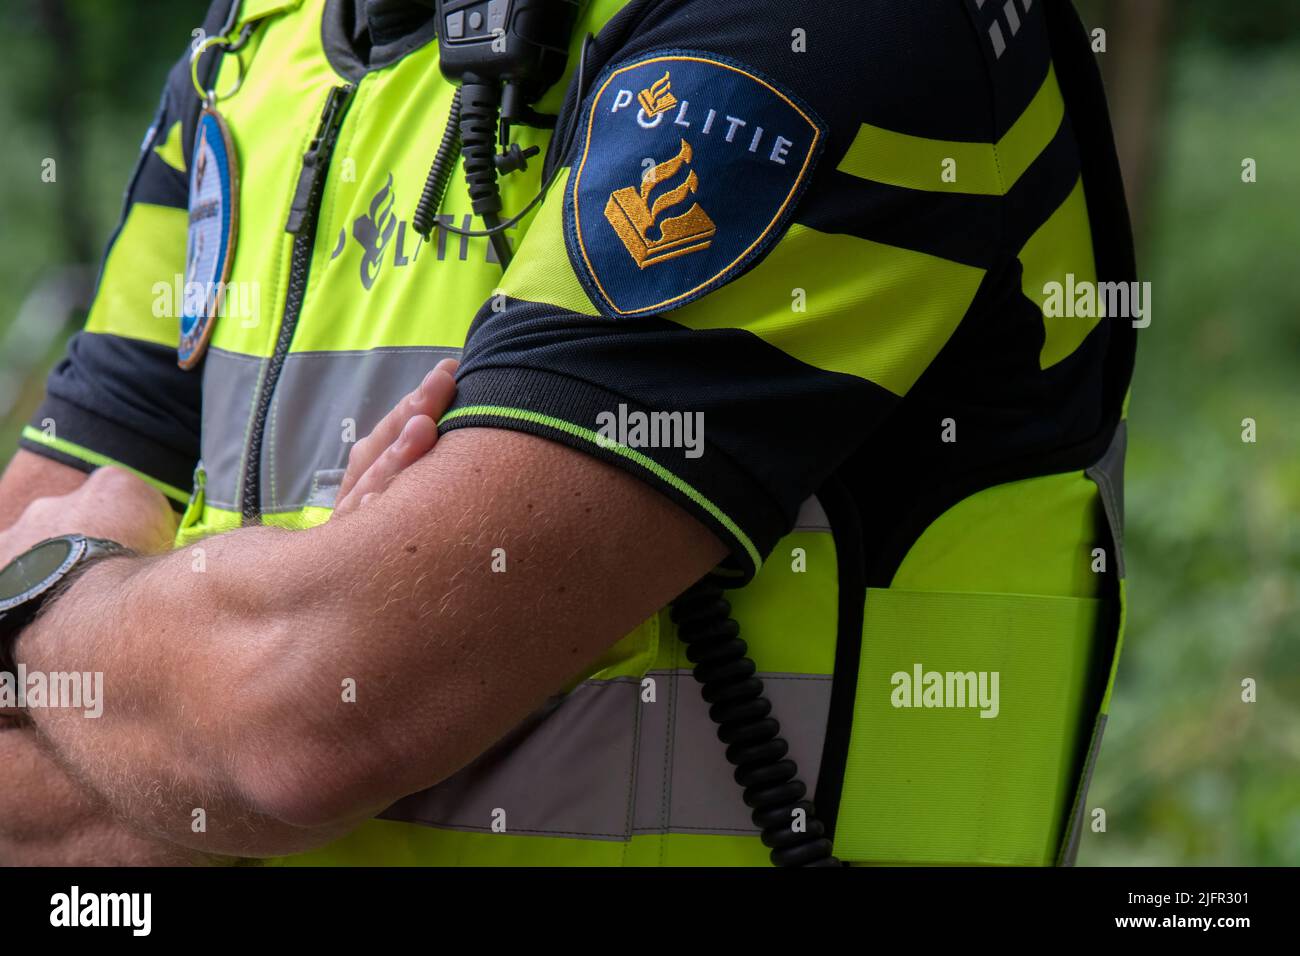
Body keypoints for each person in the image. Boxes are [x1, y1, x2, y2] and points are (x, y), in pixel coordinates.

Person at [0, 0, 1136, 866]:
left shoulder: (816, 27)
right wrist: (209, 673)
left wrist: (60, 598)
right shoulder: (259, 41)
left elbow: (313, 713)